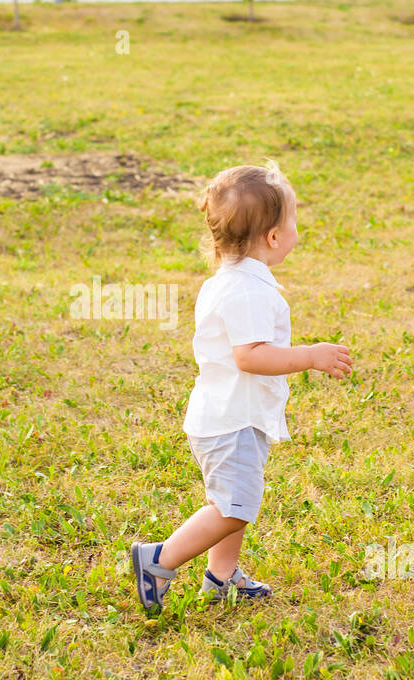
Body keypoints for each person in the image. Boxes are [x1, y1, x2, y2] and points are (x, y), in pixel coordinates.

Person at [131, 162, 353, 610]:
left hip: (232, 415)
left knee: (236, 499)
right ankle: (158, 559)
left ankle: (222, 576)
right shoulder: (248, 291)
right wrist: (310, 356)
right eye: (293, 222)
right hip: (229, 420)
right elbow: (249, 355)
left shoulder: (230, 281)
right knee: (233, 508)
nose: (296, 230)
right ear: (274, 237)